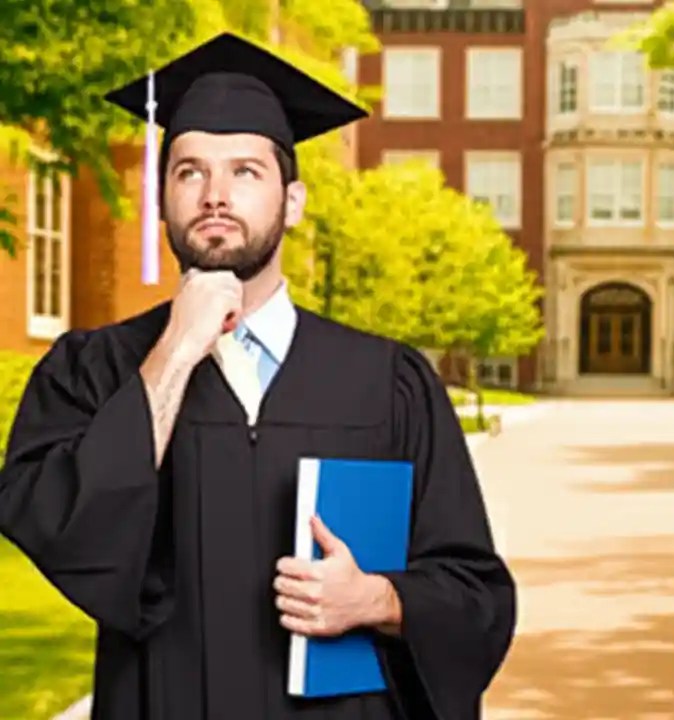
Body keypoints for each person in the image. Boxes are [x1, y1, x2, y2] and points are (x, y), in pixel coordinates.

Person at [0, 32, 516, 719]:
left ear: (292, 202)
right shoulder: (95, 370)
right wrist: (176, 350)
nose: (215, 195)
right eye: (190, 172)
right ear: (162, 200)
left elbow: (476, 596)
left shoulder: (389, 382)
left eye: (245, 171)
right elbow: (60, 530)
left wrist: (378, 599)